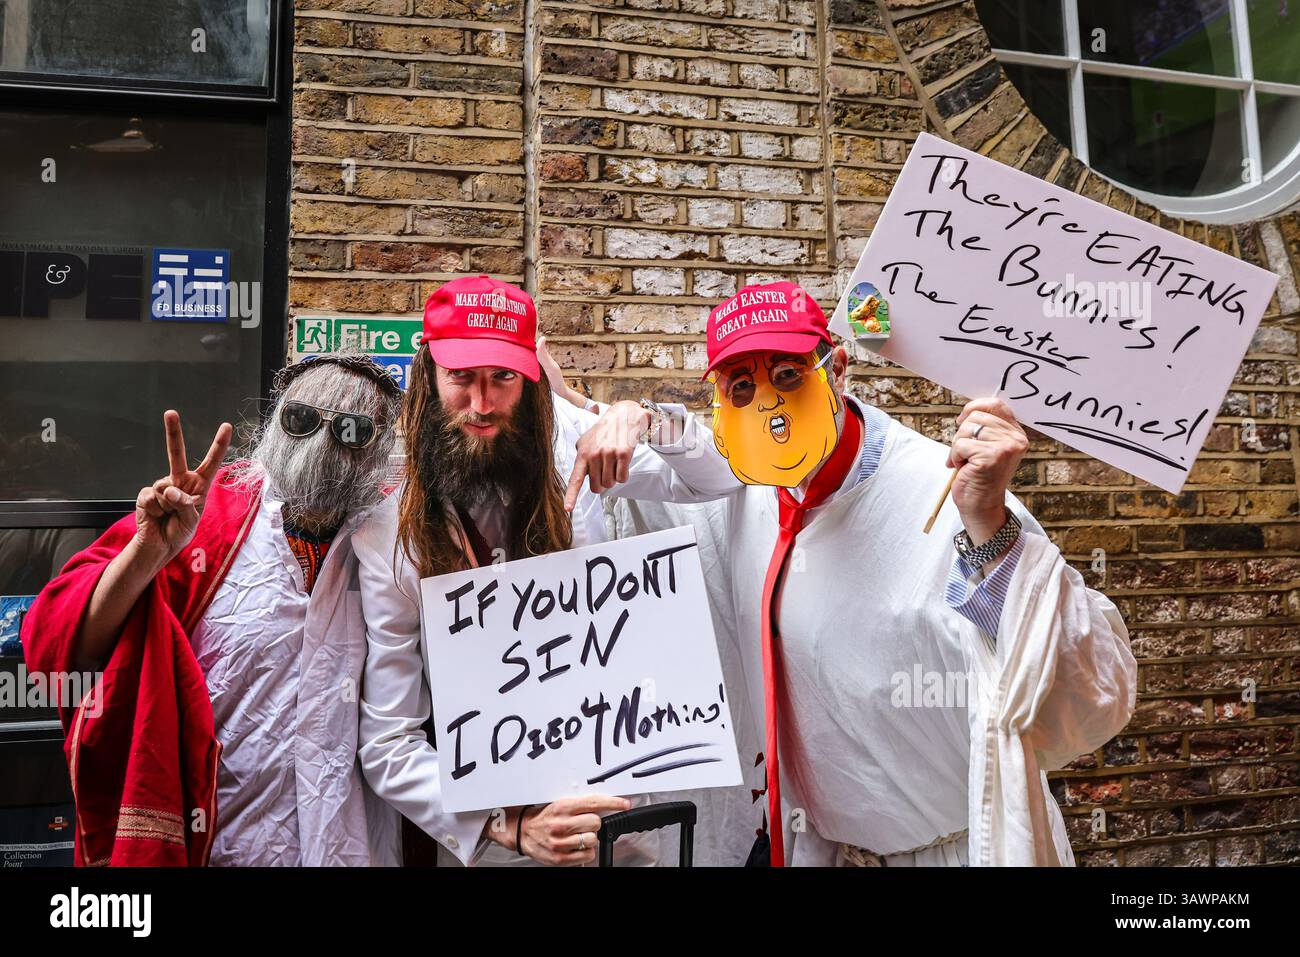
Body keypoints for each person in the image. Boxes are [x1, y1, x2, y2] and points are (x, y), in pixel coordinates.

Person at [601, 281, 1138, 866]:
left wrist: (989, 526)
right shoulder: (751, 483)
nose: (770, 406)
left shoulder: (947, 493)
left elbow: (1091, 695)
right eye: (742, 387)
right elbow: (663, 456)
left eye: (788, 375)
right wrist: (634, 414)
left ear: (838, 369)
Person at [353, 275, 740, 866]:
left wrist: (640, 418)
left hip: (618, 815)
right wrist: (508, 825)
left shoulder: (567, 447)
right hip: (497, 840)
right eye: (461, 379)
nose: (482, 404)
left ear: (529, 378)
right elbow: (388, 742)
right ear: (427, 377)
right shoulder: (388, 529)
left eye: (502, 379)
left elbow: (720, 478)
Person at [23, 355, 405, 866]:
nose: (322, 444)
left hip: (353, 842)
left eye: (352, 431)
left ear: (380, 447)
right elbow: (58, 644)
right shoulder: (208, 515)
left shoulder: (399, 534)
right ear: (276, 424)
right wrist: (147, 553)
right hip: (222, 841)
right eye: (301, 420)